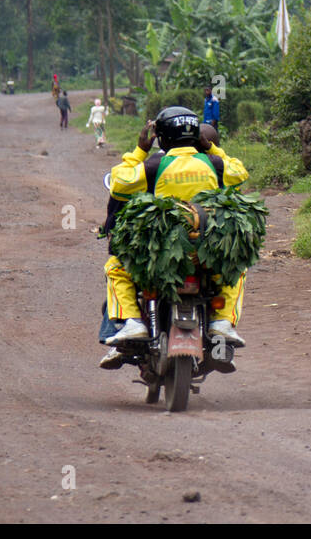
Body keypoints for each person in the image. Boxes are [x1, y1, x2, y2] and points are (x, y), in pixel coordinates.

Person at [99, 106, 250, 368]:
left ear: (162, 138)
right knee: (235, 269)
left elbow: (119, 185)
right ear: (197, 137)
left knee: (116, 268)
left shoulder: (154, 165)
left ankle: (133, 323)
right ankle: (222, 322)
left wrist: (139, 151)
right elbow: (240, 173)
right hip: (207, 252)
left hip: (161, 255)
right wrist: (212, 149)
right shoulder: (213, 163)